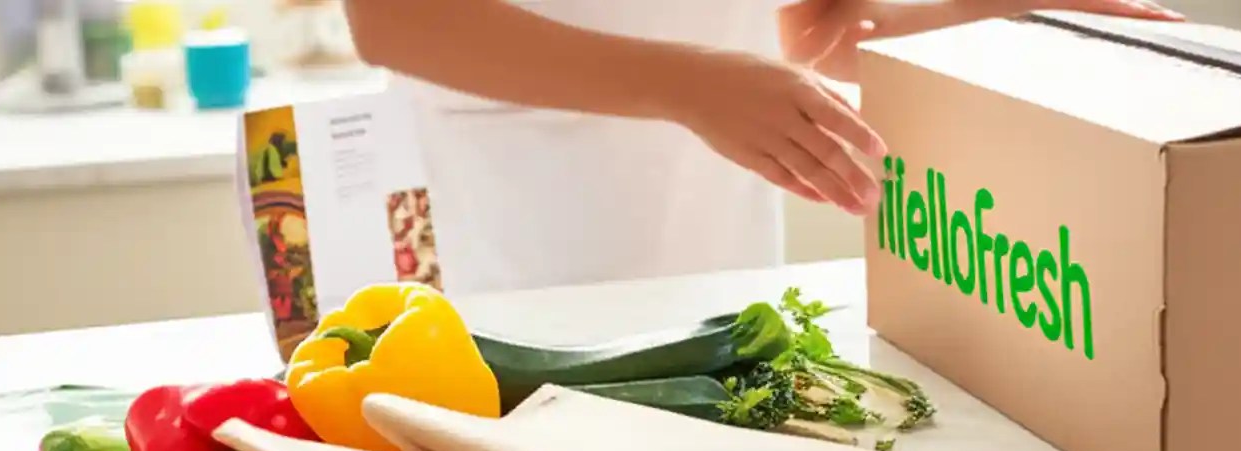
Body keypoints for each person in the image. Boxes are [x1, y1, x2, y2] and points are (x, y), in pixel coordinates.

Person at [343, 0, 1182, 295]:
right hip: (499, 274)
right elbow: (396, 19)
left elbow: (823, 31)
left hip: (714, 279)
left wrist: (1010, 14)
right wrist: (686, 84)